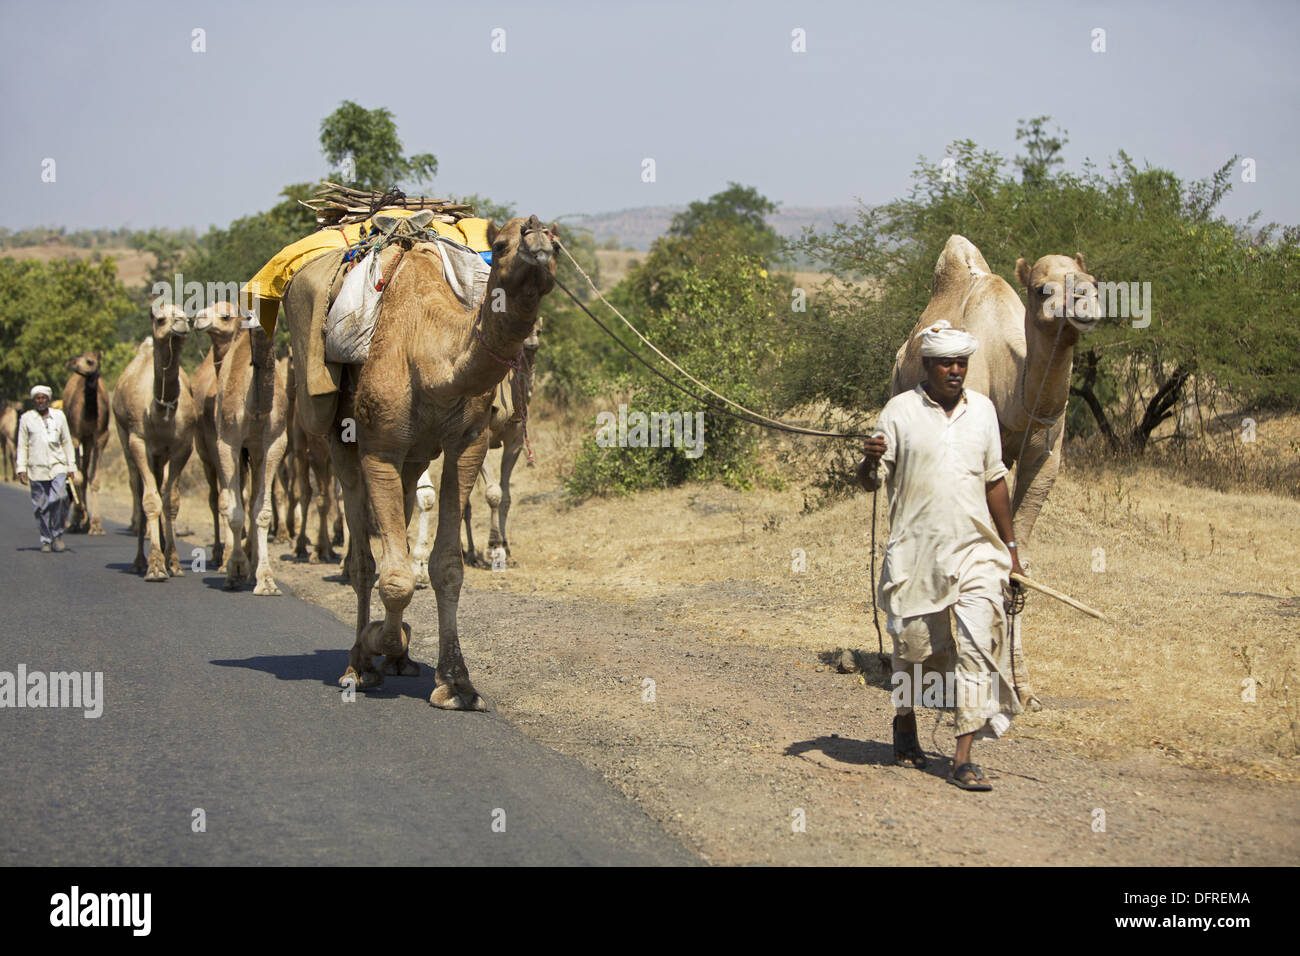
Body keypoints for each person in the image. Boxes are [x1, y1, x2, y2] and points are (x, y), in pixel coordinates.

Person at [858, 321, 1024, 791]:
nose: (955, 371)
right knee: (913, 651)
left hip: (975, 553)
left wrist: (1011, 550)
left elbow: (994, 480)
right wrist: (870, 460)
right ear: (927, 366)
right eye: (946, 363)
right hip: (917, 555)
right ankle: (905, 718)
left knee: (976, 648)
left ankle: (963, 758)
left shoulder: (984, 411)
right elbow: (870, 483)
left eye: (962, 363)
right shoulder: (899, 412)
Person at [15, 385, 79, 553]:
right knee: (40, 507)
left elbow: (66, 441)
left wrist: (71, 465)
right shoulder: (27, 418)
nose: (41, 401)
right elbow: (22, 445)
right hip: (36, 468)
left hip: (58, 465)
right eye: (38, 398)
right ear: (34, 400)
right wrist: (21, 468)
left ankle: (57, 535)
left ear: (48, 399)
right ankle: (46, 538)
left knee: (60, 497)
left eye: (43, 398)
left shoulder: (59, 416)